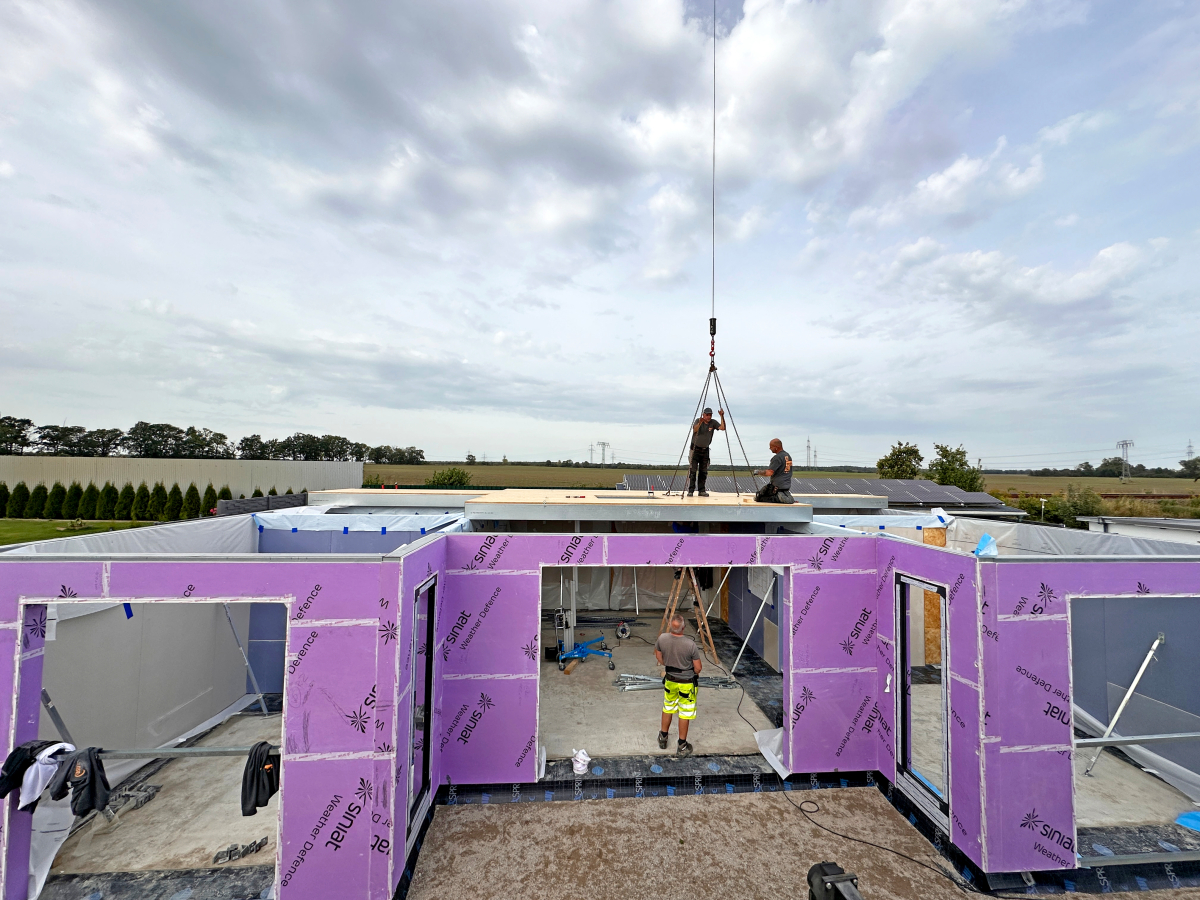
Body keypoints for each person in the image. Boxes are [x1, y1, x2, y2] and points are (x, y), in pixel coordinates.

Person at [655, 614, 702, 757]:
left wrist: (669, 665)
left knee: (668, 707)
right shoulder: (690, 645)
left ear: (670, 625)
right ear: (683, 627)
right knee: (684, 713)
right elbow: (698, 667)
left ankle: (663, 737)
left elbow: (658, 656)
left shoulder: (662, 638)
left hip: (670, 680)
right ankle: (682, 745)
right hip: (686, 684)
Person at [687, 407, 726, 496]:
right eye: (707, 415)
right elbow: (695, 430)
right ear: (703, 415)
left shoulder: (713, 423)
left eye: (710, 415)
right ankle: (691, 490)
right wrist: (700, 422)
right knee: (693, 471)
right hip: (695, 449)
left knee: (703, 471)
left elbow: (723, 428)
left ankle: (701, 490)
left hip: (705, 450)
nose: (709, 417)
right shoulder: (698, 421)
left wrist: (722, 416)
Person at [754, 438, 794, 504]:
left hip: (777, 490)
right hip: (785, 490)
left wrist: (758, 472)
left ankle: (779, 499)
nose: (770, 448)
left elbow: (769, 472)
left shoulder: (777, 458)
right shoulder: (787, 456)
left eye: (771, 447)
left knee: (759, 498)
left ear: (776, 447)